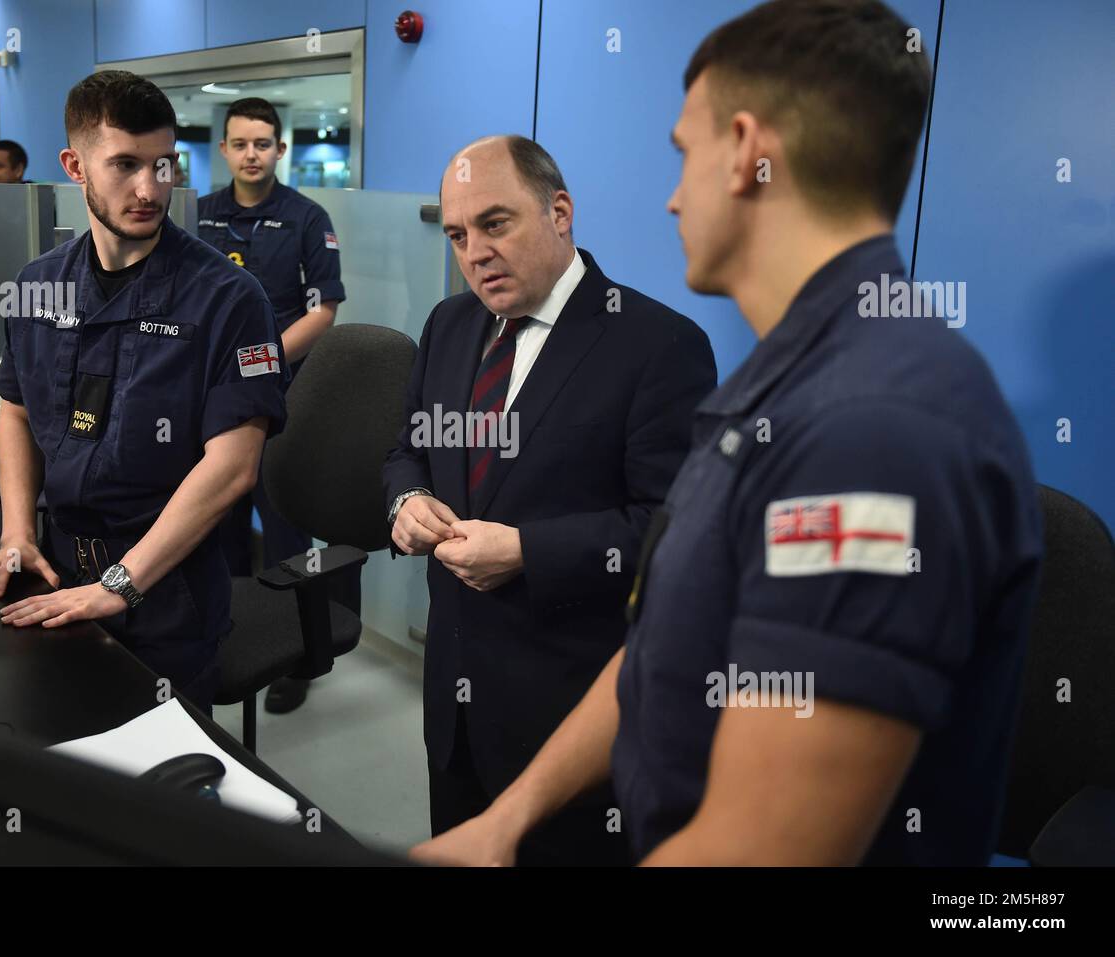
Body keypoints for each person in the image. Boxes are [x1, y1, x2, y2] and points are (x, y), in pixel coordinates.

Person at [411, 0, 1043, 867]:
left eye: (683, 152)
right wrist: (509, 818)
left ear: (747, 153)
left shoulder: (875, 429)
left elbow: (769, 848)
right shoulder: (787, 380)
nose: (672, 195)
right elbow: (663, 638)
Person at [384, 135, 716, 865]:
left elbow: (674, 535)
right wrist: (405, 500)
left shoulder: (658, 346)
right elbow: (407, 450)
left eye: (494, 224)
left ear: (559, 212)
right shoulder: (448, 325)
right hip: (454, 698)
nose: (474, 253)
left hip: (572, 718)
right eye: (457, 234)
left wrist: (528, 552)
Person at [0, 71, 288, 717]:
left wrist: (120, 584)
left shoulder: (227, 298)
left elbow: (233, 466)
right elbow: (17, 410)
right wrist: (17, 533)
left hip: (166, 596)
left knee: (159, 794)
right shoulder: (37, 286)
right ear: (74, 166)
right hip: (53, 571)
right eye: (125, 165)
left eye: (163, 164)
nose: (149, 188)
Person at [198, 97, 346, 715]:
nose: (252, 153)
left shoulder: (308, 217)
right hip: (208, 400)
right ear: (225, 149)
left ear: (280, 150)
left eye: (263, 143)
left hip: (282, 396)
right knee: (217, 516)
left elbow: (324, 311)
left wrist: (254, 362)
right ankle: (225, 633)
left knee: (284, 521)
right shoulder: (199, 215)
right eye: (240, 143)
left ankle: (297, 653)